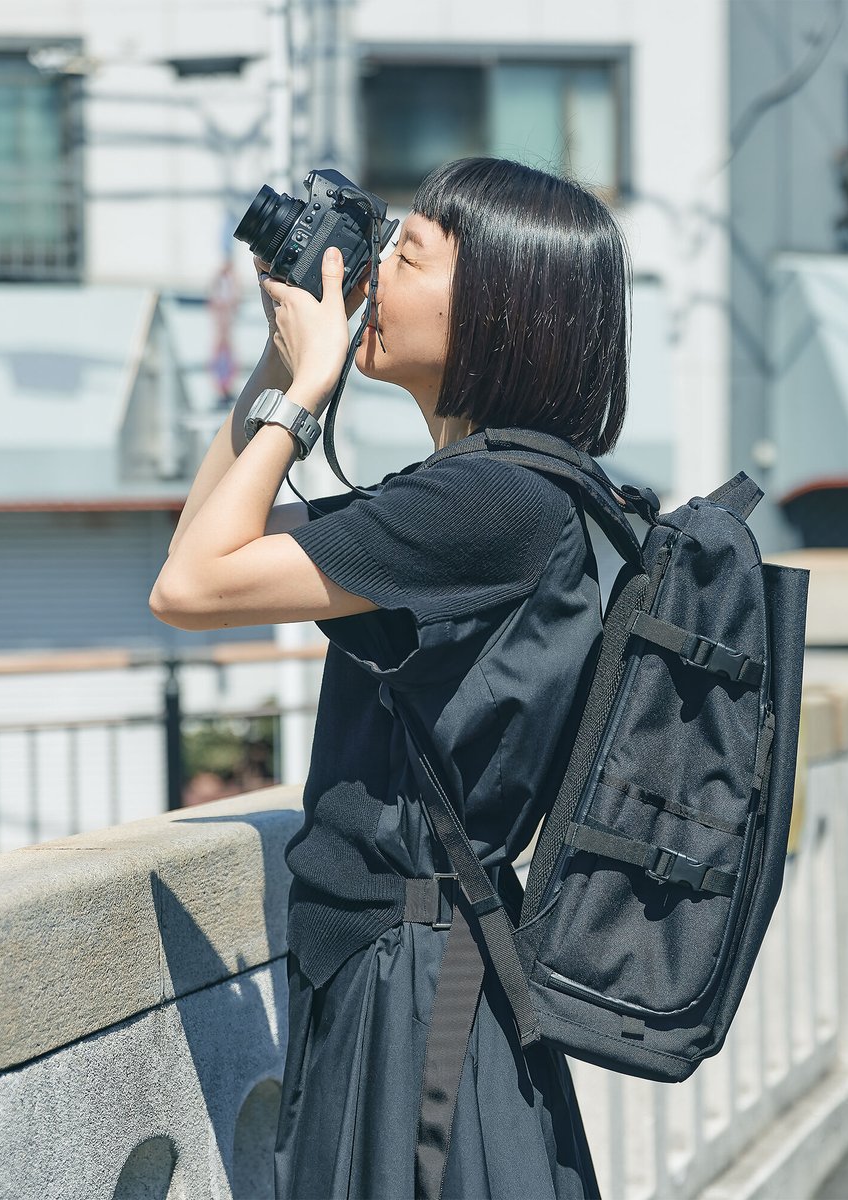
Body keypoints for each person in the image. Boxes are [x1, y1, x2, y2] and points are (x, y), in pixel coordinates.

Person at [150, 155, 631, 1200]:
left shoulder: (491, 508)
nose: (370, 273)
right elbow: (199, 547)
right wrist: (280, 372)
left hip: (418, 993)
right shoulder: (471, 499)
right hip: (403, 966)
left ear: (502, 310)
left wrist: (312, 384)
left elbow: (190, 588)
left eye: (405, 254)